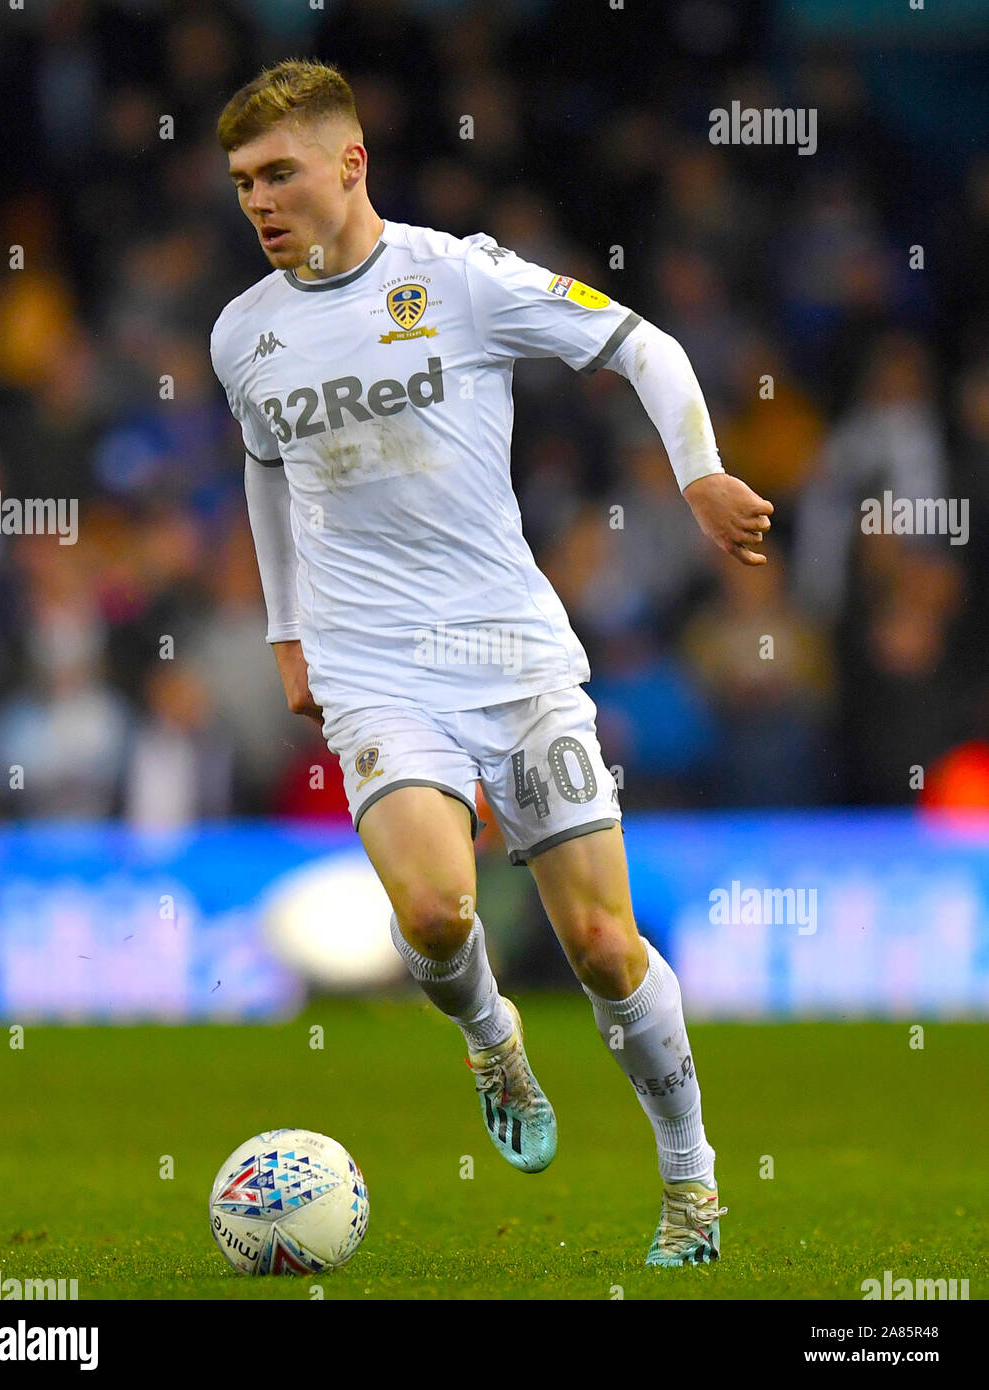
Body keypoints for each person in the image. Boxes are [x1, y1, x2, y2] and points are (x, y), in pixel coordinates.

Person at [211, 58, 773, 1266]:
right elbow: (267, 470)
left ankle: (691, 1182)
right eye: (241, 183)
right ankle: (489, 1037)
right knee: (430, 908)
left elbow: (642, 344)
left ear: (349, 162)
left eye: (277, 174)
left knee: (605, 949)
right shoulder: (241, 334)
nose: (256, 202)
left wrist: (698, 472)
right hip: (370, 662)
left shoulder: (455, 277)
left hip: (510, 655)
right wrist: (287, 628)